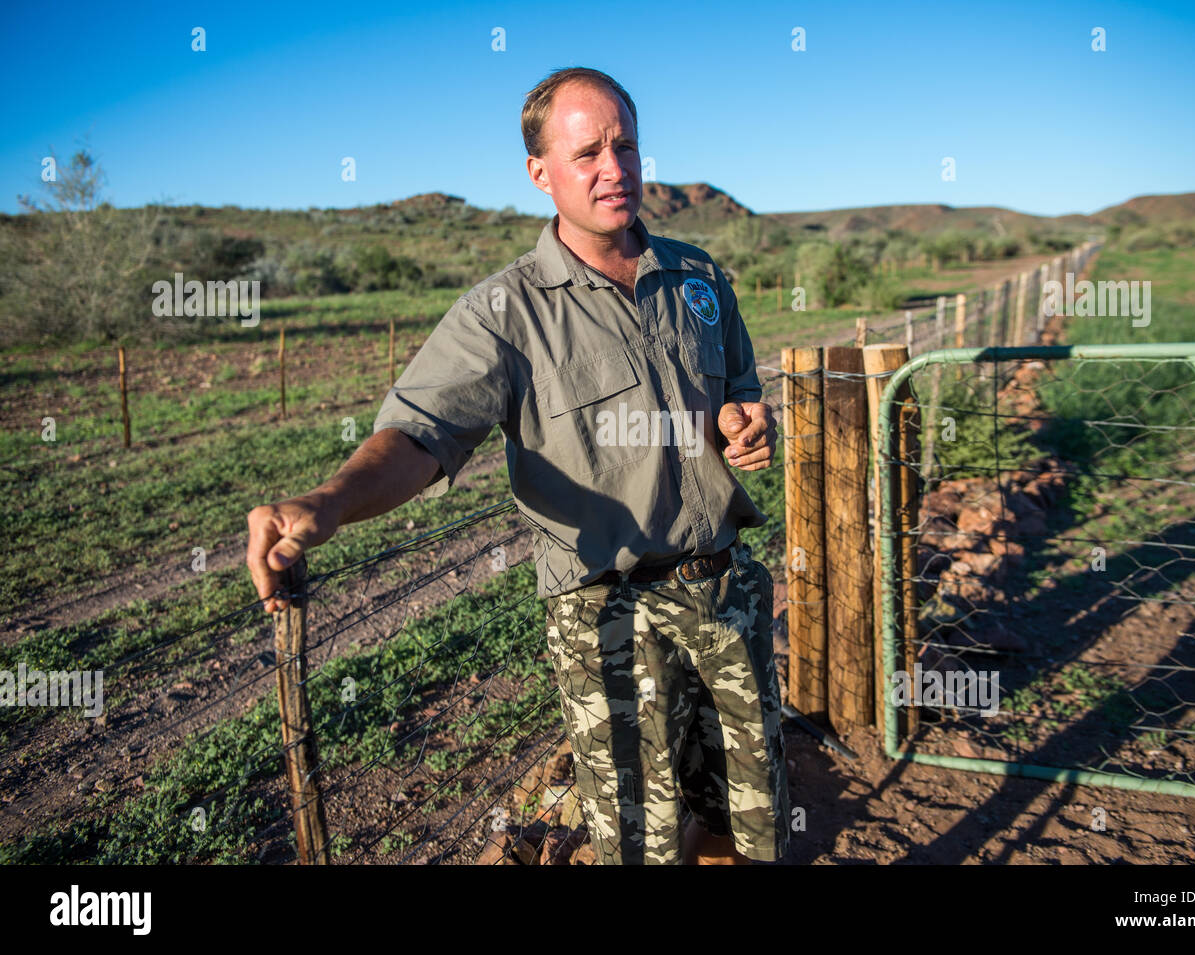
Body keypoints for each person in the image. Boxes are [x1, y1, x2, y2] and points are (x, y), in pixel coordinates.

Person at [245, 66, 790, 865]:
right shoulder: (504, 312)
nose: (616, 168)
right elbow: (420, 434)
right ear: (541, 173)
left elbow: (739, 379)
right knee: (642, 846)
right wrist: (326, 502)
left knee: (754, 823)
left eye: (627, 144)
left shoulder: (699, 277)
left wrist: (745, 416)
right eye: (589, 152)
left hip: (727, 594)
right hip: (612, 619)